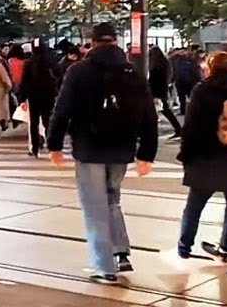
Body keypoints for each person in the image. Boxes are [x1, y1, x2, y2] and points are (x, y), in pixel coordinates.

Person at [48, 23, 158, 286]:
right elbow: (149, 115)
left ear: (92, 42)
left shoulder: (78, 71)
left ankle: (104, 266)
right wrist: (147, 153)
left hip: (90, 147)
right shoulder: (133, 71)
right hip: (122, 147)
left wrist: (54, 144)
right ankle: (120, 252)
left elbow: (62, 109)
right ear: (115, 41)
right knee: (111, 200)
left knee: (94, 206)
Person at [174, 51, 227, 272]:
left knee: (194, 207)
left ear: (210, 68)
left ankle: (184, 247)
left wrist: (186, 155)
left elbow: (190, 127)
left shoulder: (202, 90)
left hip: (204, 159)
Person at [20, 42, 60, 158]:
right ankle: (51, 146)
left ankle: (35, 148)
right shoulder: (51, 61)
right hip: (48, 95)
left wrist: (22, 98)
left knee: (34, 122)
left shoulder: (29, 62)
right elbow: (59, 74)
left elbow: (24, 81)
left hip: (33, 96)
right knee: (48, 121)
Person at [147, 45, 182, 141]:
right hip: (161, 92)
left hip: (157, 92)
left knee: (163, 111)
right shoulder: (164, 64)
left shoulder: (157, 67)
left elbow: (155, 81)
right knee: (165, 111)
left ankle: (178, 129)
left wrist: (156, 95)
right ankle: (178, 129)